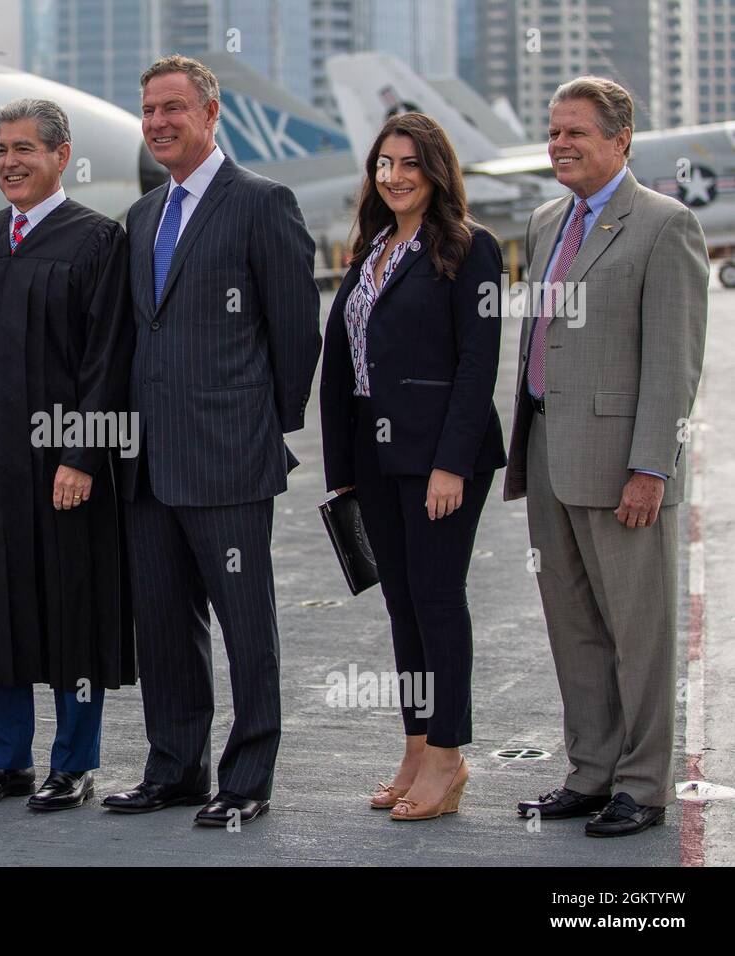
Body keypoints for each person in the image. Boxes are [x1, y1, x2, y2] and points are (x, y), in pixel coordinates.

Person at [103, 55, 321, 827]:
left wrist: (261, 426)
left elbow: (297, 333)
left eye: (173, 108)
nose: (158, 122)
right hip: (149, 465)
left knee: (246, 628)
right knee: (164, 627)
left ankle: (248, 777)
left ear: (210, 112)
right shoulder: (141, 217)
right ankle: (175, 769)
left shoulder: (262, 202)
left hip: (229, 461)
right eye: (148, 111)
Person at [507, 77, 707, 837]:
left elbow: (674, 362)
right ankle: (590, 773)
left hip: (623, 464)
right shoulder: (545, 221)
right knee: (574, 626)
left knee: (639, 632)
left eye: (576, 133)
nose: (559, 144)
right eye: (554, 131)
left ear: (620, 140)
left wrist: (652, 467)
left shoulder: (664, 224)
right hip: (548, 451)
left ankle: (643, 785)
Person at [0, 98, 135, 812]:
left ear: (60, 155)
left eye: (25, 149)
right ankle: (4, 761)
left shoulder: (98, 241)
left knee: (73, 607)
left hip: (63, 467)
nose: (10, 162)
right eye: (1, 149)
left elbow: (109, 360)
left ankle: (73, 764)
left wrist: (83, 455)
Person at [319, 112, 506, 821]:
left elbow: (478, 363)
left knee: (436, 598)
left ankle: (449, 758)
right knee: (401, 604)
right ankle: (417, 745)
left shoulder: (469, 247)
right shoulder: (370, 249)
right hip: (374, 453)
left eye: (409, 164)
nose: (393, 177)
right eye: (383, 164)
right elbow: (345, 364)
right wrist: (343, 468)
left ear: (435, 171)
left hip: (439, 457)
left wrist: (451, 464)